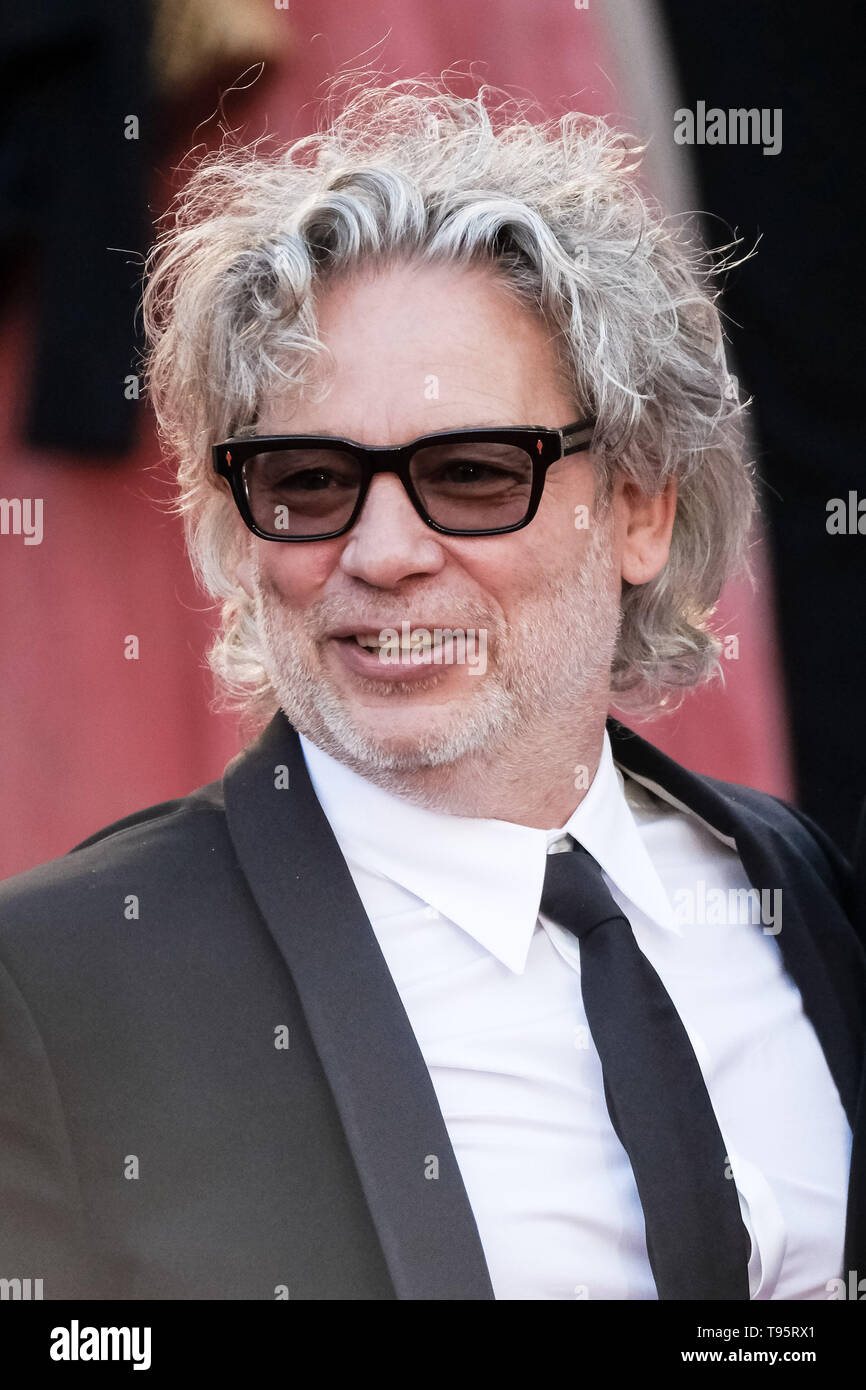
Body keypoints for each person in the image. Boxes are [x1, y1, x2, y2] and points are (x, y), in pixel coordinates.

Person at [0, 78, 863, 1302]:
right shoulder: (52, 990)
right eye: (306, 479)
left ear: (637, 508)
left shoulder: (800, 894)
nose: (382, 551)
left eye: (468, 473)